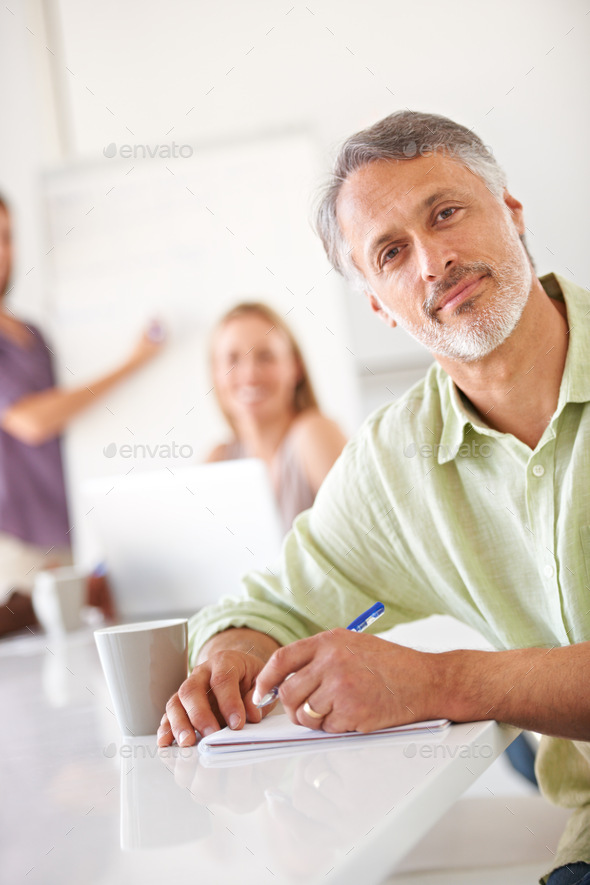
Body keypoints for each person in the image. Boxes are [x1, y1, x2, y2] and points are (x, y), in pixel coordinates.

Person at [158, 112, 590, 885]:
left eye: (446, 212)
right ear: (381, 307)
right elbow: (267, 607)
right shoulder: (395, 460)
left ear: (513, 214)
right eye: (392, 253)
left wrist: (435, 682)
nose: (434, 260)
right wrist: (230, 656)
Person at [0, 195, 164, 635]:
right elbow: (31, 421)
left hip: (74, 534)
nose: (3, 252)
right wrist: (134, 363)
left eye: (7, 237)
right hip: (19, 542)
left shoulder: (32, 332)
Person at [206, 301, 347, 533]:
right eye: (232, 359)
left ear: (295, 367)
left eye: (265, 357)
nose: (249, 374)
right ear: (216, 374)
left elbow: (367, 538)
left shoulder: (312, 434)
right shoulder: (219, 459)